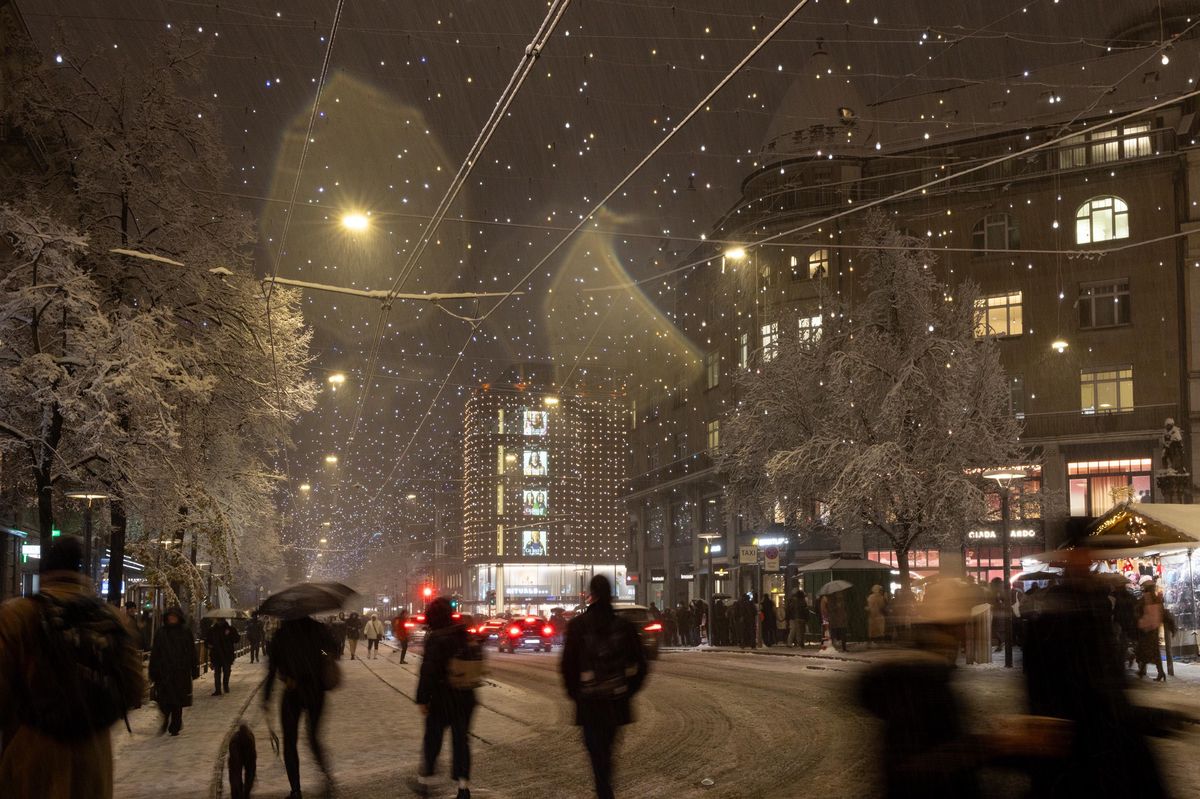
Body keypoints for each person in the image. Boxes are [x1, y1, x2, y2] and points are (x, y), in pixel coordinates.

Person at [0, 536, 145, 798]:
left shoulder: (16, 615)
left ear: (44, 571)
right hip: (93, 758)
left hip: (31, 756)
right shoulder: (111, 617)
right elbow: (135, 687)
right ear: (80, 571)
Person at [561, 575, 648, 799]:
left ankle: (604, 789)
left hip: (589, 702)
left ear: (591, 595)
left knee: (596, 753)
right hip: (615, 701)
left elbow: (567, 666)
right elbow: (641, 664)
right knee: (608, 750)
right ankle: (605, 788)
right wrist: (628, 691)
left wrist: (575, 694)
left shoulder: (578, 626)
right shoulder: (624, 626)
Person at [262, 613, 339, 799]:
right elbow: (332, 651)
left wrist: (266, 698)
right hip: (315, 692)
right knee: (313, 738)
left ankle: (295, 790)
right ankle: (327, 779)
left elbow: (272, 668)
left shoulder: (281, 635)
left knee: (290, 742)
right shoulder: (318, 629)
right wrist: (318, 654)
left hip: (292, 692)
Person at [414, 598, 478, 799]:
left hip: (442, 698)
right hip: (465, 696)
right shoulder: (462, 633)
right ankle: (463, 786)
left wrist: (422, 699)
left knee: (432, 740)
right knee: (461, 742)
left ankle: (425, 782)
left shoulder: (436, 637)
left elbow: (429, 671)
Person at [149, 606, 199, 736]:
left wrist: (194, 668)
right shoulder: (161, 632)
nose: (172, 619)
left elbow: (192, 651)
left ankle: (175, 724)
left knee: (177, 701)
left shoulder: (185, 632)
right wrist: (153, 670)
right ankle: (166, 718)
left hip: (180, 672)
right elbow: (155, 652)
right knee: (164, 701)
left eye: (174, 616)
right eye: (170, 616)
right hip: (163, 672)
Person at [1135, 577, 1167, 681]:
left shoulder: (1145, 598)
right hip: (1155, 628)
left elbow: (1138, 610)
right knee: (1153, 650)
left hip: (1147, 629)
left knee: (1145, 649)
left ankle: (1145, 671)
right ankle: (1160, 672)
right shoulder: (1157, 598)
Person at [205, 617, 240, 695]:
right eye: (218, 620)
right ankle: (218, 690)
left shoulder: (230, 629)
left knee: (227, 671)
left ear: (224, 620)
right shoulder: (212, 630)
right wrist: (209, 645)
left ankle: (225, 685)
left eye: (221, 620)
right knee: (217, 672)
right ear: (216, 620)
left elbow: (237, 639)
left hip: (227, 654)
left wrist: (230, 634)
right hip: (216, 654)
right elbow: (207, 641)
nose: (220, 622)